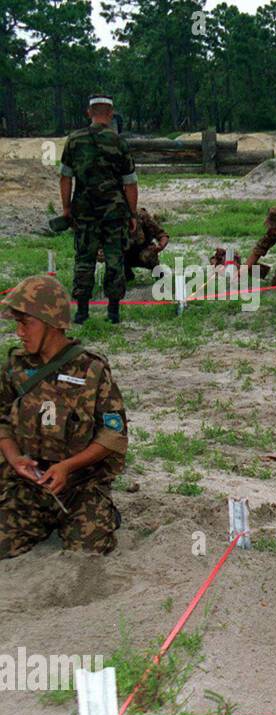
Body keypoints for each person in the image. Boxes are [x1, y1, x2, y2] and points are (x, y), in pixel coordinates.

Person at [0, 275, 128, 557]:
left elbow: (113, 434)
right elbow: (1, 421)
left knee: (91, 549)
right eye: (17, 323)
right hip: (27, 486)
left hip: (78, 485)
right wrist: (14, 458)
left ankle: (102, 512)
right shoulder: (15, 368)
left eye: (26, 323)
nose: (19, 332)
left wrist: (68, 467)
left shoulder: (91, 370)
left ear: (51, 322)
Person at [60, 92, 138, 324]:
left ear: (89, 113)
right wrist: (132, 213)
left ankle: (82, 311)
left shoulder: (74, 140)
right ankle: (113, 312)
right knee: (115, 259)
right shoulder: (119, 142)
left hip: (84, 211)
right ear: (111, 114)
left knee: (84, 259)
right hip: (114, 212)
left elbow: (65, 178)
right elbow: (130, 182)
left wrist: (66, 208)